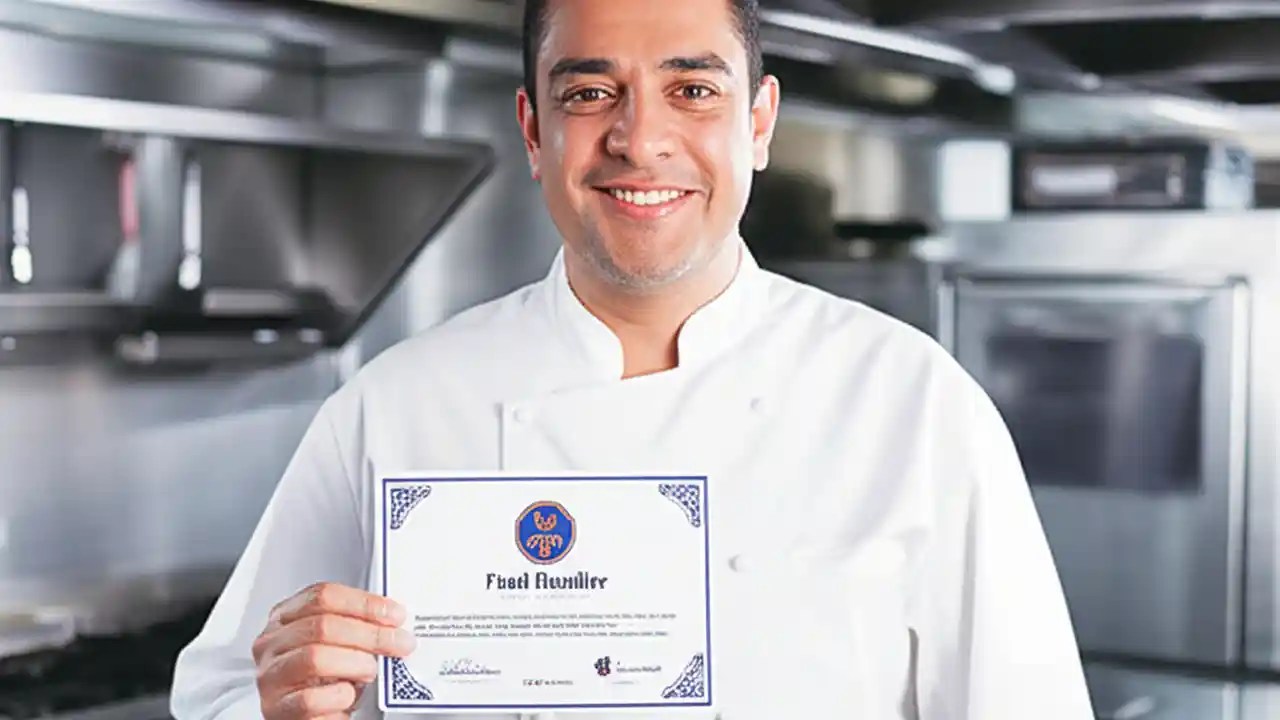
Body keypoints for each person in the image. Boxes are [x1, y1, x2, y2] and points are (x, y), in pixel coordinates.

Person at [170, 0, 1093, 718]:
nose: (639, 139)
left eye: (692, 89)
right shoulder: (396, 405)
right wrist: (277, 696)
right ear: (534, 130)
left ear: (760, 122)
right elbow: (217, 696)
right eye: (589, 92)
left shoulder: (912, 402)